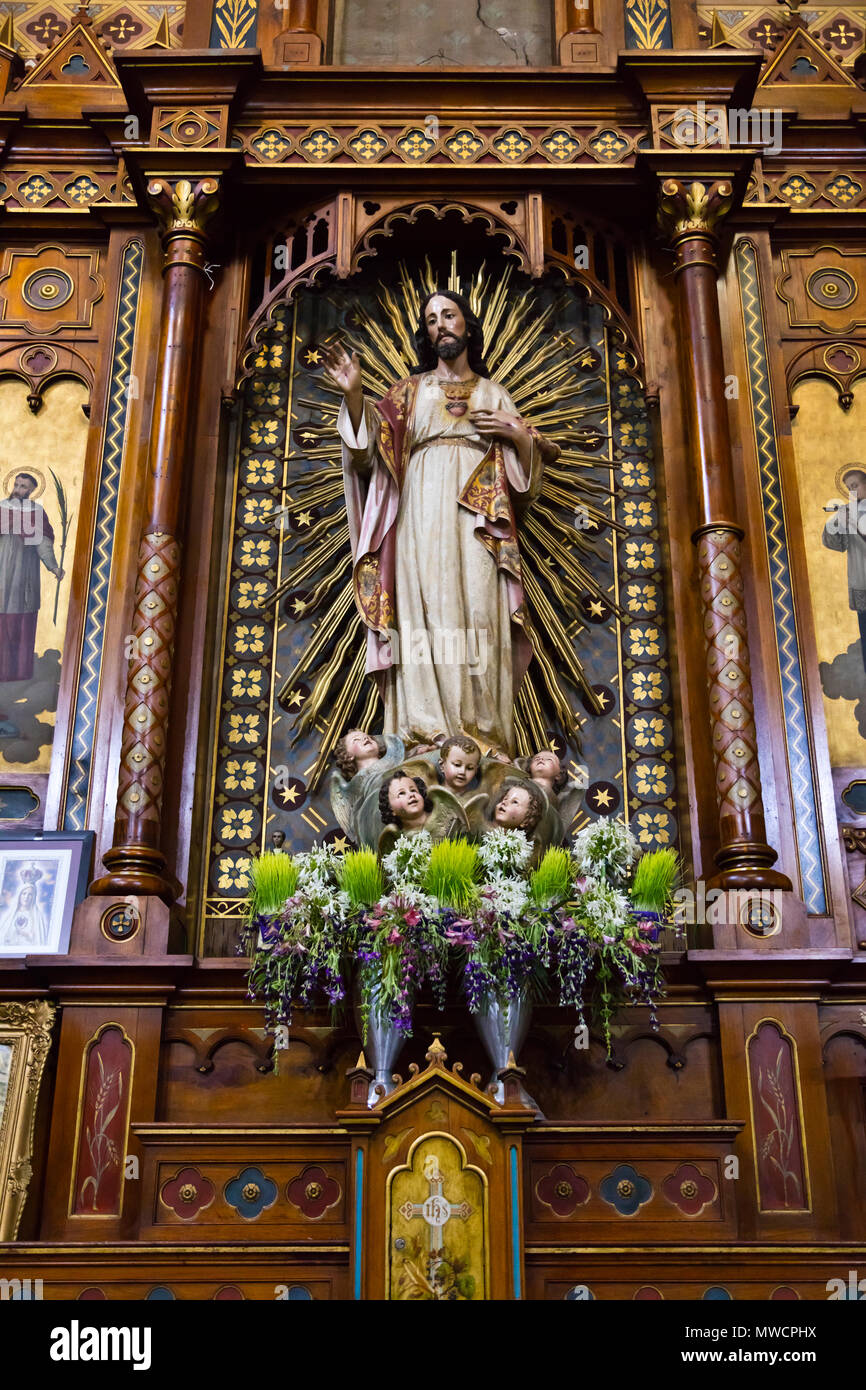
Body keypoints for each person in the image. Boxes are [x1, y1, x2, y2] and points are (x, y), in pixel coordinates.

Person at [324, 290, 560, 759]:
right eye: (431, 320)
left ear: (468, 326)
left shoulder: (493, 394)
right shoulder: (408, 392)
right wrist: (354, 396)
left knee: (478, 611)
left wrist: (517, 434)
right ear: (426, 335)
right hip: (418, 516)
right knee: (424, 613)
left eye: (448, 316)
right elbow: (366, 453)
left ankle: (483, 737)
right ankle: (423, 734)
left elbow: (525, 486)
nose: (440, 326)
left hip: (479, 522)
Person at [0, 472, 64, 683]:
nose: (18, 489)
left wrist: (53, 566)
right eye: (17, 484)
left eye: (24, 486)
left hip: (24, 573)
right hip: (2, 570)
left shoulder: (36, 512)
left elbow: (43, 542)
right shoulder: (1, 508)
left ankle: (16, 673)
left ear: (31, 491)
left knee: (19, 615)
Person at [823, 466, 866, 674]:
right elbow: (834, 543)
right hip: (862, 588)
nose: (853, 492)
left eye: (856, 485)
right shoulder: (850, 513)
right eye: (850, 488)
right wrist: (836, 522)